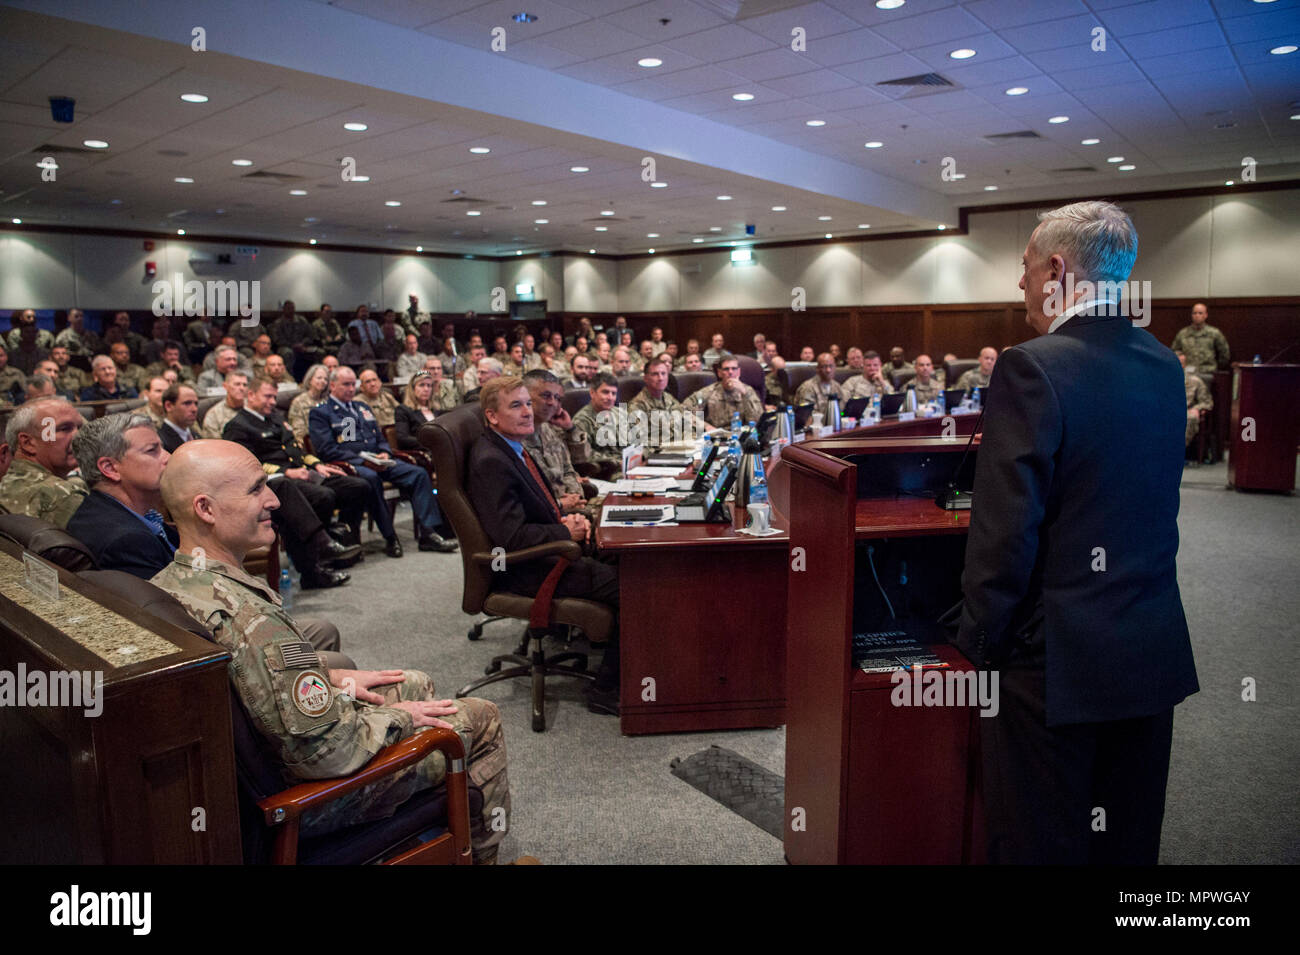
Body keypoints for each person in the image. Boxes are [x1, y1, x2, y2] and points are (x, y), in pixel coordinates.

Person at [955, 199, 1198, 865]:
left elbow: (1005, 533)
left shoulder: (1031, 365)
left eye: (1027, 266)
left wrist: (978, 644)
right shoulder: (1163, 363)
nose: (1021, 281)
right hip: (1147, 646)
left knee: (1040, 840)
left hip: (1053, 660)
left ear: (1058, 270)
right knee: (1125, 842)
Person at [151, 440, 515, 862]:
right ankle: (479, 857)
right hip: (307, 800)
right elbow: (329, 754)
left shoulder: (170, 583)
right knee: (481, 717)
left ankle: (429, 838)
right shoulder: (252, 620)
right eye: (255, 490)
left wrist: (332, 677)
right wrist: (400, 717)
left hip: (258, 770)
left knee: (415, 683)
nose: (273, 500)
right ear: (205, 509)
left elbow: (254, 679)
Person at [467, 377, 619, 715]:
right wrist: (563, 532)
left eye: (527, 403)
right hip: (528, 568)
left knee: (627, 559)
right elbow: (510, 538)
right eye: (516, 405)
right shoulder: (492, 461)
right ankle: (607, 688)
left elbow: (535, 511)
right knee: (634, 588)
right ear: (492, 416)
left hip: (546, 553)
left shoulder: (513, 447)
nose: (527, 411)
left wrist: (566, 520)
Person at [223, 377, 367, 580]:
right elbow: (245, 464)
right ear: (251, 395)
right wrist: (287, 471)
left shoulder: (276, 418)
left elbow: (296, 450)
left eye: (274, 397)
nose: (273, 402)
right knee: (322, 496)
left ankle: (343, 543)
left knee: (357, 486)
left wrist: (317, 464)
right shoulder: (237, 425)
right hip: (274, 481)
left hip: (301, 473)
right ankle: (320, 553)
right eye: (268, 396)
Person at [308, 366, 457, 557]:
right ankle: (390, 537)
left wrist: (385, 453)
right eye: (346, 384)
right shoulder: (322, 412)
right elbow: (327, 450)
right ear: (332, 385)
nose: (351, 389)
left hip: (378, 460)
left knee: (418, 474)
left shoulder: (361, 407)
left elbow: (379, 438)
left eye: (353, 384)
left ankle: (429, 533)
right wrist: (363, 461)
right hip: (354, 465)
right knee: (371, 479)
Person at [66, 413, 176, 579]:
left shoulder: (102, 509)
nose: (168, 457)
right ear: (110, 468)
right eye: (152, 450)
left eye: (162, 448)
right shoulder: (128, 542)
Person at [0, 398, 87, 527]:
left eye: (80, 427)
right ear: (28, 443)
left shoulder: (5, 485)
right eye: (65, 429)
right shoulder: (64, 496)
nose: (80, 436)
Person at [571, 373, 627, 479]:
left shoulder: (620, 413)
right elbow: (585, 453)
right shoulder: (582, 421)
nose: (610, 397)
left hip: (628, 467)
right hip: (606, 471)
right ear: (592, 393)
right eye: (605, 392)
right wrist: (617, 462)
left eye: (613, 393)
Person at [686, 355, 763, 428]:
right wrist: (706, 426)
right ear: (719, 373)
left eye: (734, 368)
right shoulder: (709, 391)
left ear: (739, 372)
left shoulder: (747, 391)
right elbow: (684, 411)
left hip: (741, 434)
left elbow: (759, 421)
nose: (730, 372)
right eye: (726, 369)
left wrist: (745, 394)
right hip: (716, 434)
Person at [1170, 302, 1229, 379]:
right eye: (1194, 313)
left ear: (1206, 315)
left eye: (1200, 313)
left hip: (1207, 372)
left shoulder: (1214, 333)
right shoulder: (1183, 333)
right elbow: (1174, 352)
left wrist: (1216, 367)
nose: (1197, 316)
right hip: (1188, 372)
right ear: (1191, 315)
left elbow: (1224, 354)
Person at [1176, 351, 1213, 454]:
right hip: (1166, 410)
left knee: (1190, 417)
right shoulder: (1162, 380)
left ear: (1185, 365)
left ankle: (1176, 451)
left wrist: (1197, 408)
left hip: (1186, 411)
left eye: (1181, 363)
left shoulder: (1195, 381)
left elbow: (1207, 402)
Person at [288, 363, 331, 443]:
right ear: (310, 380)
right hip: (309, 443)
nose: (323, 381)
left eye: (326, 379)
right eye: (319, 378)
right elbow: (298, 432)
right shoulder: (299, 402)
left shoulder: (329, 401)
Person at [793, 353, 845, 417]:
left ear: (835, 367)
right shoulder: (808, 387)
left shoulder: (837, 386)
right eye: (824, 367)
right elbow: (807, 415)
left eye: (831, 366)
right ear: (817, 369)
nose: (828, 370)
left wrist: (842, 415)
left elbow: (842, 411)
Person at [200, 370, 248, 439]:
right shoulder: (214, 415)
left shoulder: (255, 408)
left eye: (245, 385)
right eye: (237, 384)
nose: (242, 388)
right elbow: (213, 443)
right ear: (225, 386)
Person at [159, 383, 200, 453]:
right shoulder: (161, 442)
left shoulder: (196, 435)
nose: (194, 409)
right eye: (187, 403)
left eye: (196, 403)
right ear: (168, 406)